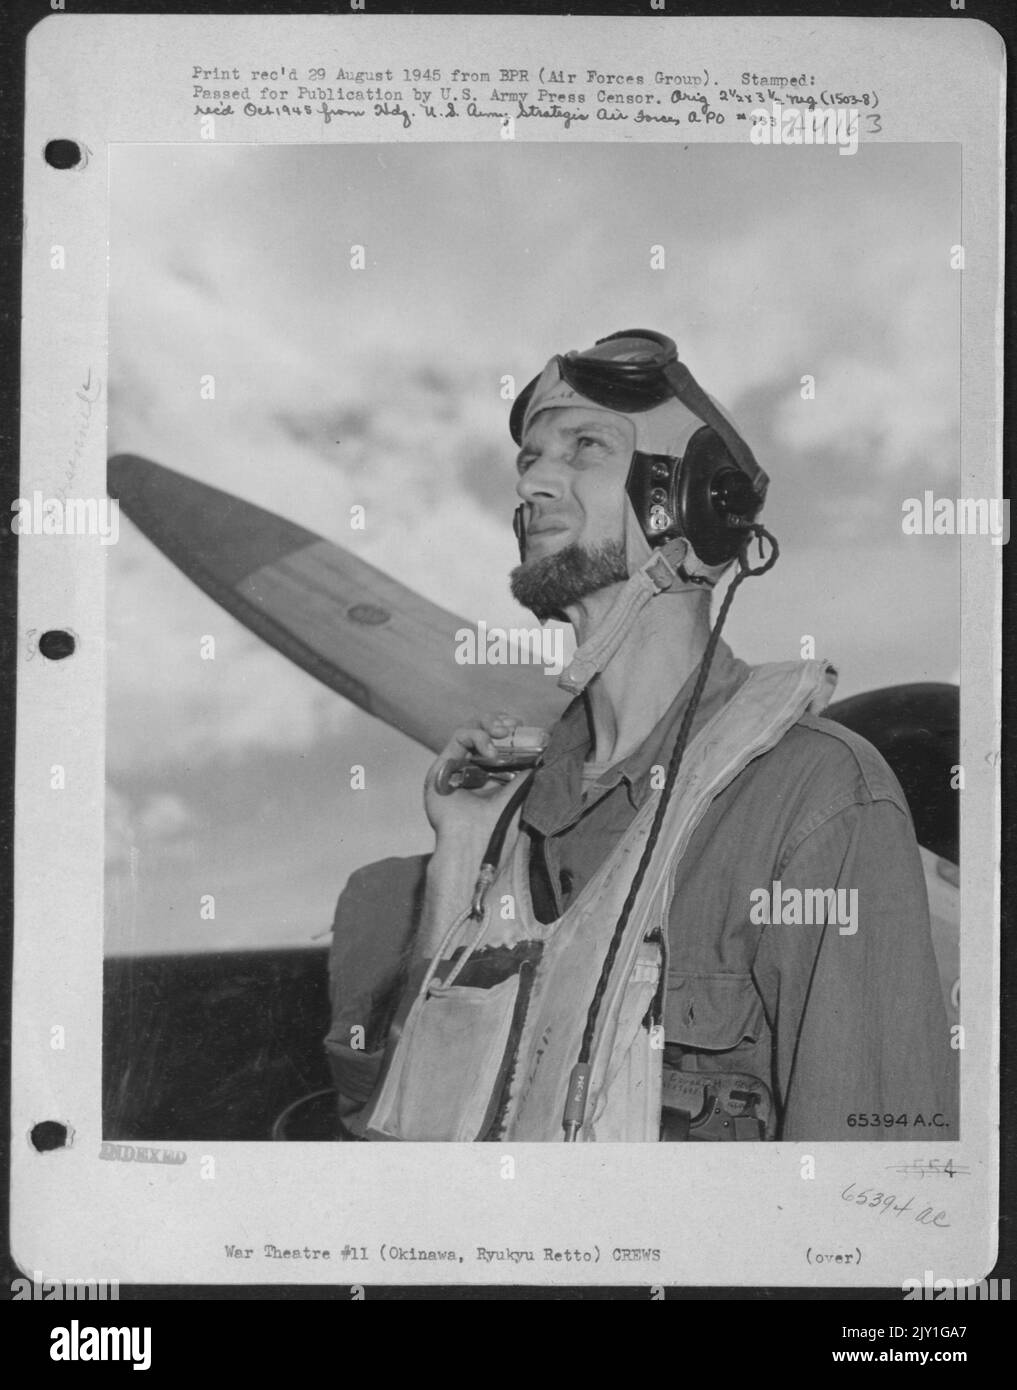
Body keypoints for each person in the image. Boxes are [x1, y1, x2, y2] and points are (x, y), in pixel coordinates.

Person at [325, 329, 956, 1143]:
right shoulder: (501, 818)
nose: (533, 484)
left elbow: (866, 1199)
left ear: (685, 500)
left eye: (584, 447)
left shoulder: (817, 803)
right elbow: (406, 1132)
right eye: (528, 460)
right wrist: (458, 863)